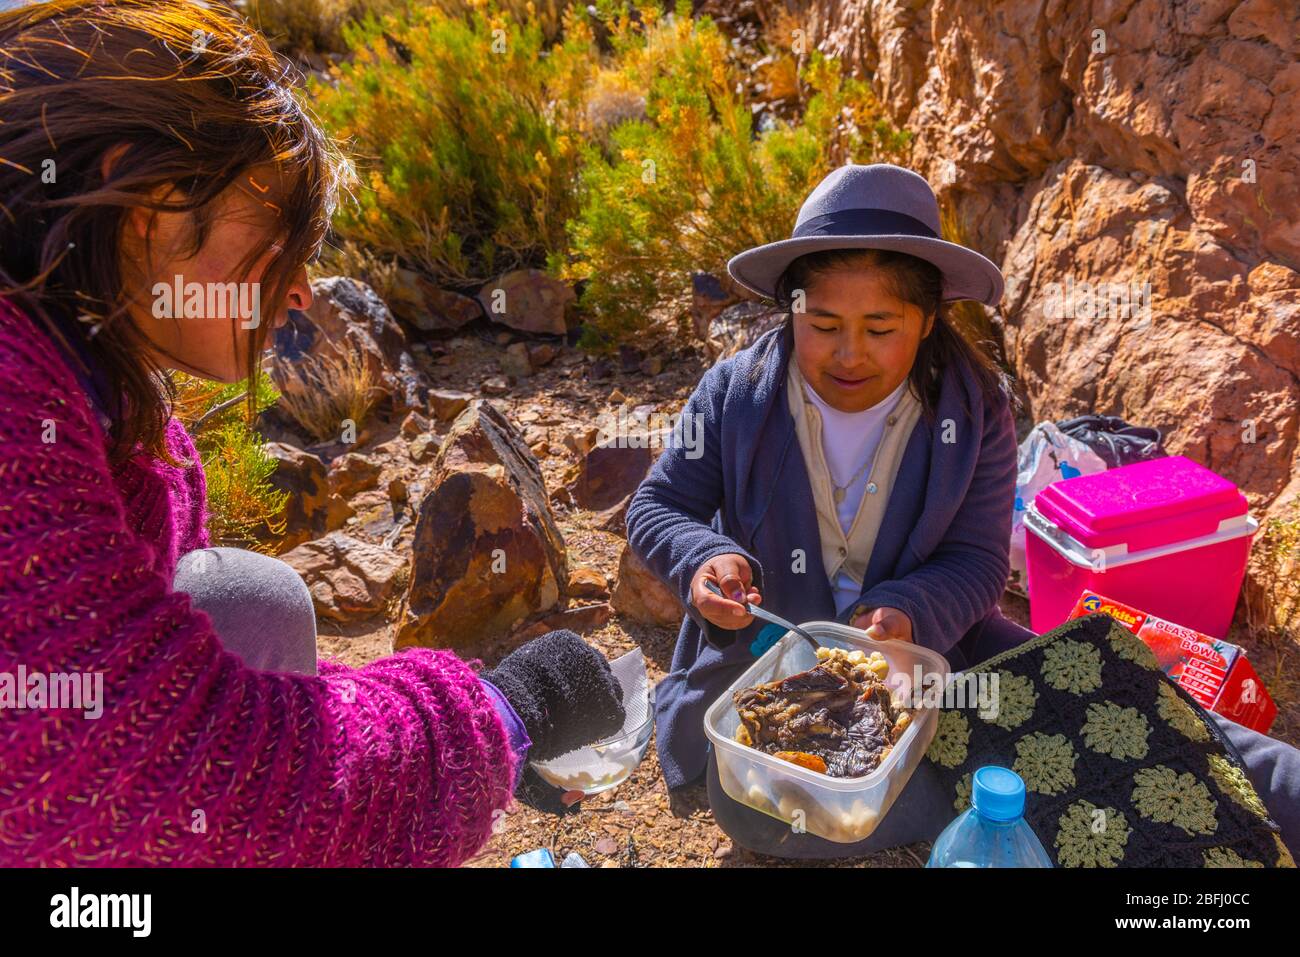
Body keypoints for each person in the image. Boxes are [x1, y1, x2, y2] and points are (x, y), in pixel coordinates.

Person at [0, 0, 622, 866]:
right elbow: (184, 773)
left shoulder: (96, 378)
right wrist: (500, 717)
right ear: (154, 209)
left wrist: (447, 728)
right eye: (280, 247)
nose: (298, 291)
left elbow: (172, 680)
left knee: (244, 598)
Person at [626, 162, 1300, 859]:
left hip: (943, 662)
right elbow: (659, 504)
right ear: (791, 310)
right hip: (766, 678)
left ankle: (1273, 788)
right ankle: (1001, 785)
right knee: (763, 812)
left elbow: (978, 560)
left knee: (1137, 698)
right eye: (823, 323)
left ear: (926, 320)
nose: (849, 352)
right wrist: (705, 558)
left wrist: (909, 610)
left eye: (880, 326)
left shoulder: (975, 410)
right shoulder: (736, 396)